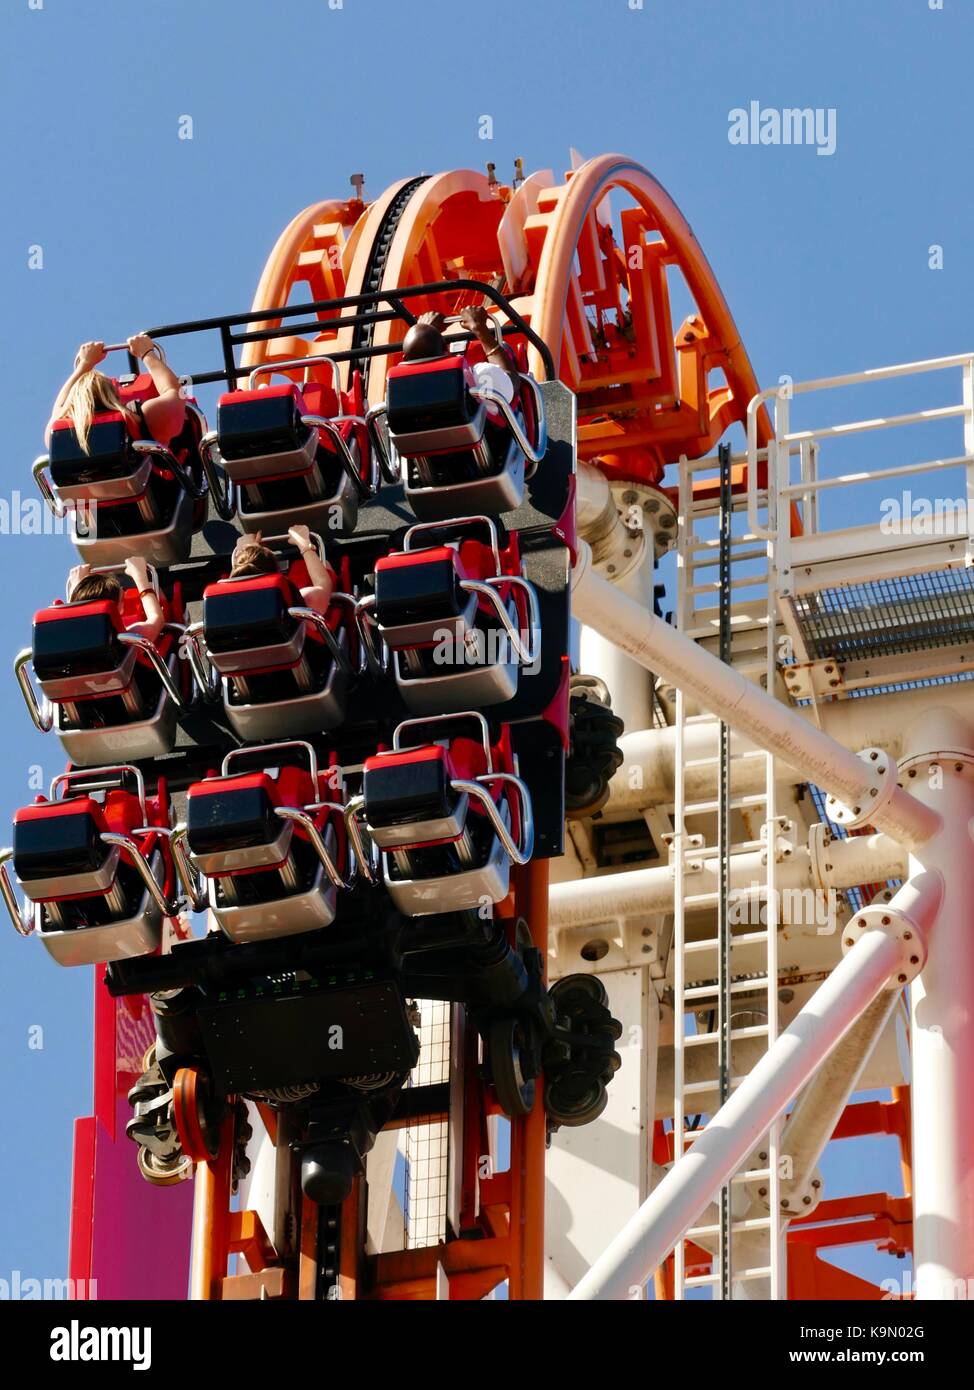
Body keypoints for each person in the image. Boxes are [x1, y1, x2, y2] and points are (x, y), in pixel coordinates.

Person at [46, 334, 187, 452]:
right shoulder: (145, 418)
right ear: (114, 393)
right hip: (151, 484)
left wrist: (84, 364)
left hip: (87, 485)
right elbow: (175, 392)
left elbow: (59, 407)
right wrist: (147, 353)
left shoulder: (57, 434)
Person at [400, 305, 521, 401]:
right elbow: (512, 383)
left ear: (404, 358)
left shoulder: (399, 393)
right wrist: (481, 330)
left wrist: (424, 330)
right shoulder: (479, 376)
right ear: (446, 350)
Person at [227, 525, 335, 616]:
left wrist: (245, 551)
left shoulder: (227, 612)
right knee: (327, 565)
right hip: (305, 639)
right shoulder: (293, 605)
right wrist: (304, 544)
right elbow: (323, 585)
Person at [66, 554, 165, 644]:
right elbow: (156, 619)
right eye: (122, 598)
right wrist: (140, 576)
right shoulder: (127, 638)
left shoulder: (70, 641)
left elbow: (70, 623)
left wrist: (77, 587)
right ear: (118, 608)